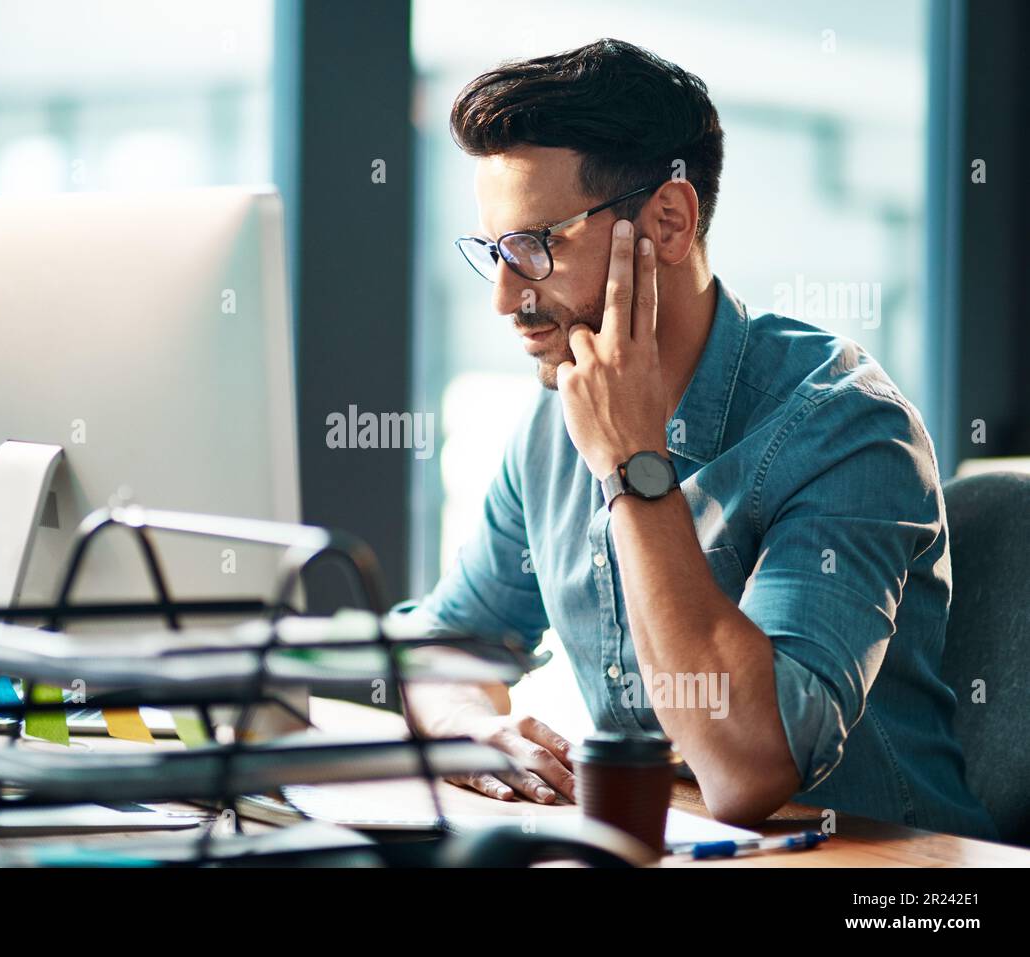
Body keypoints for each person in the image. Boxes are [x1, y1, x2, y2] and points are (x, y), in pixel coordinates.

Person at [400, 38, 995, 837]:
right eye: (494, 252)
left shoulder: (850, 431)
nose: (505, 298)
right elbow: (444, 646)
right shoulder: (551, 425)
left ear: (669, 221)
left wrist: (632, 467)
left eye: (536, 246)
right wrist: (469, 726)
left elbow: (746, 768)